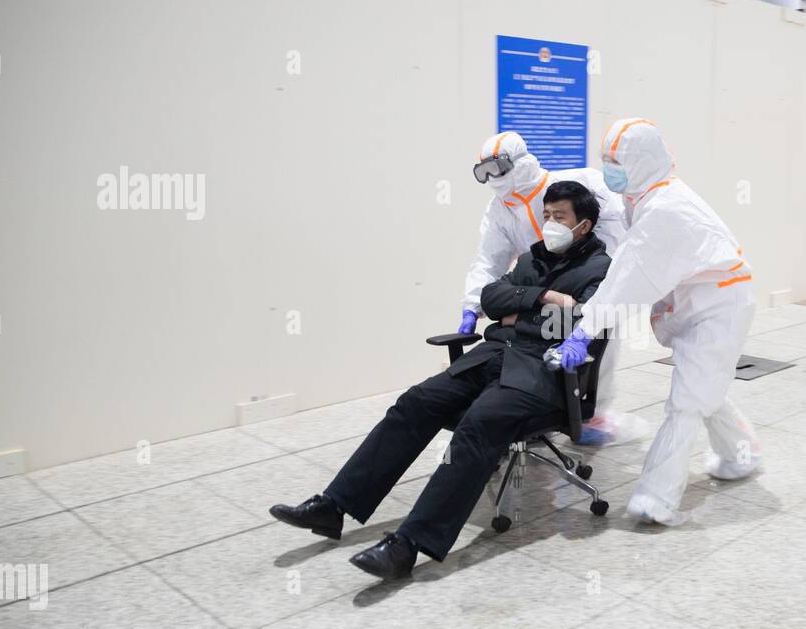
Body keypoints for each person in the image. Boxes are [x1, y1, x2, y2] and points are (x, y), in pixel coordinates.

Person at [270, 181, 611, 579]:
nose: (550, 223)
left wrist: (520, 313)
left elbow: (577, 323)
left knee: (478, 424)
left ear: (583, 226)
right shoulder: (532, 258)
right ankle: (334, 506)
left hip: (542, 374)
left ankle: (409, 544)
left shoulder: (601, 270)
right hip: (491, 357)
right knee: (414, 403)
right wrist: (543, 299)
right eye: (547, 215)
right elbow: (491, 298)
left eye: (560, 217)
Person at [553, 118, 760, 525]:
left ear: (641, 161)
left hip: (720, 308)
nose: (609, 167)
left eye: (616, 160)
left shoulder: (664, 208)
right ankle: (744, 454)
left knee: (685, 403)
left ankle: (656, 498)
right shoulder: (644, 195)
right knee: (705, 390)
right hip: (701, 303)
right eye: (605, 159)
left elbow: (628, 277)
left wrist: (584, 331)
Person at [460, 131, 628, 445]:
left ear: (520, 161)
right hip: (538, 291)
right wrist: (472, 305)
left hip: (589, 286)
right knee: (537, 346)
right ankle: (539, 412)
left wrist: (603, 285)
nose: (491, 178)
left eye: (496, 167)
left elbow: (621, 235)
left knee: (597, 349)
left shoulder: (580, 183)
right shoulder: (500, 208)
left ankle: (592, 418)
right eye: (483, 172)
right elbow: (488, 259)